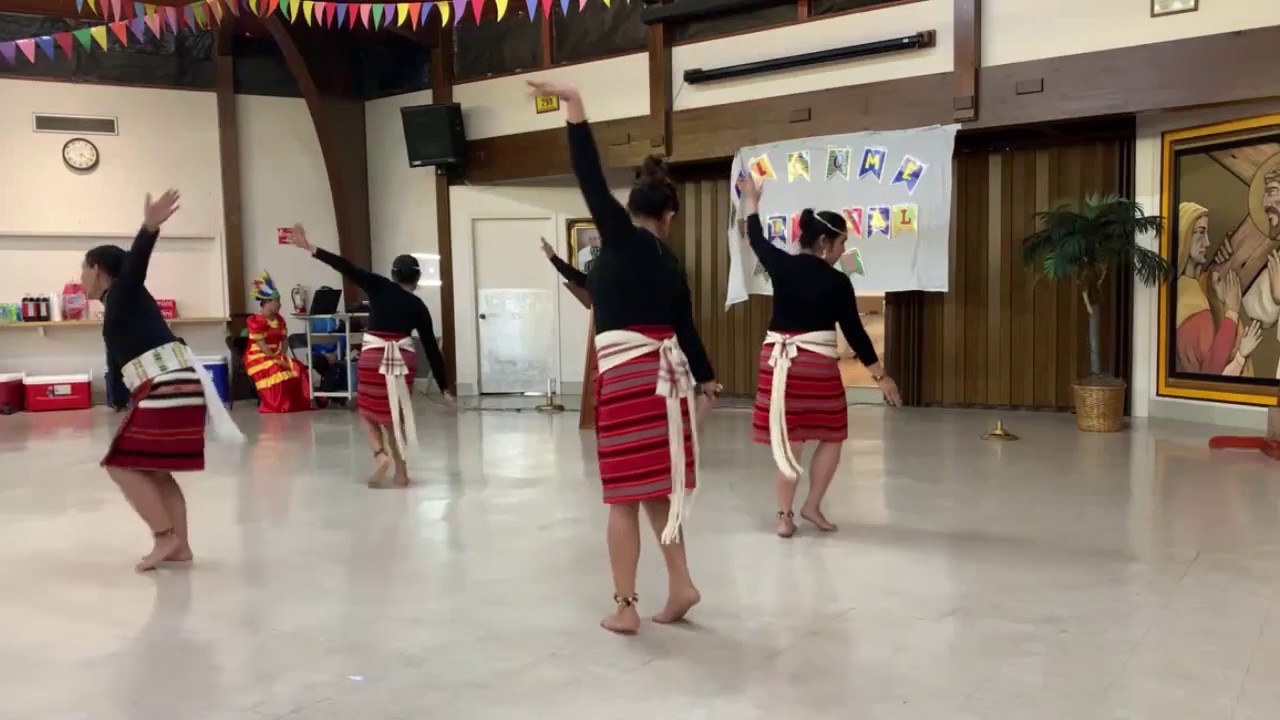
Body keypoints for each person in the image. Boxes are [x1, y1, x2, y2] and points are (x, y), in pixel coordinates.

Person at [529, 78, 719, 635]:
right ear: (670, 216)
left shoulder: (618, 243)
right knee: (656, 490)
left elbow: (588, 177)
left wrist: (576, 106)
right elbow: (685, 328)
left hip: (631, 381)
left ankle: (625, 606)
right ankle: (680, 582)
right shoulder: (667, 261)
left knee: (621, 500)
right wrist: (707, 382)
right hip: (669, 383)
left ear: (631, 209)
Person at [82, 191, 242, 572]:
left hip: (168, 385)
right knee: (153, 469)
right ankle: (181, 546)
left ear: (99, 270)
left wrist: (148, 228)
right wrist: (120, 400)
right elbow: (118, 359)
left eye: (83, 269)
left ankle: (165, 536)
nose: (80, 279)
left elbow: (135, 266)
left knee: (120, 465)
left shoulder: (123, 290)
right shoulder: (119, 306)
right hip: (171, 385)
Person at [740, 179, 901, 539]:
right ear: (825, 243)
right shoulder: (837, 283)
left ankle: (784, 516)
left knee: (790, 440)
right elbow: (855, 333)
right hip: (813, 365)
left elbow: (755, 237)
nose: (844, 249)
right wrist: (880, 376)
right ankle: (811, 505)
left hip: (777, 362)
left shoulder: (781, 265)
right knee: (831, 435)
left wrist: (751, 202)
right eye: (842, 242)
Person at [284, 225, 454, 488]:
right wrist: (445, 387)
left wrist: (310, 248)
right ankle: (401, 471)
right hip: (402, 361)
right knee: (394, 416)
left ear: (394, 274)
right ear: (416, 279)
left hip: (374, 358)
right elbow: (431, 346)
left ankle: (380, 455)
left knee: (367, 410)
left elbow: (345, 266)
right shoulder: (419, 306)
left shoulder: (379, 286)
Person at [1174, 202, 1258, 375]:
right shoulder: (1189, 299)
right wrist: (1232, 311)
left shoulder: (1195, 286)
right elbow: (1212, 369)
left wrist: (1219, 299)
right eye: (1200, 233)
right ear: (1183, 236)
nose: (1207, 242)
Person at [243, 271, 312, 413]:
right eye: (277, 301)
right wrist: (276, 358)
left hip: (276, 353)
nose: (280, 304)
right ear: (268, 302)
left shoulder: (279, 319)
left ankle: (295, 404)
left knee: (297, 367)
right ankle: (278, 405)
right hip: (258, 356)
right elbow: (261, 345)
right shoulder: (255, 320)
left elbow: (284, 339)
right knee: (275, 368)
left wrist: (282, 355)